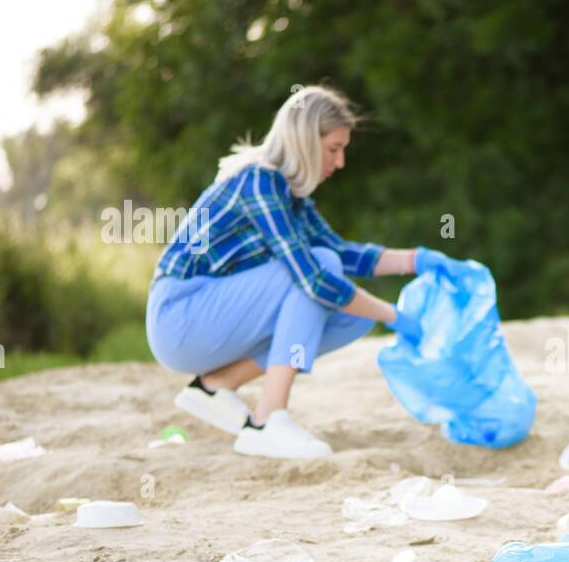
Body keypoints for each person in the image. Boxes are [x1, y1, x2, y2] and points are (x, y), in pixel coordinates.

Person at [146, 85, 463, 459]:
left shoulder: (293, 199)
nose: (341, 161)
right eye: (334, 149)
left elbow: (344, 253)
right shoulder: (259, 181)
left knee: (352, 317)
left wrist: (417, 259)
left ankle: (215, 387)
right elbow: (312, 277)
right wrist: (397, 317)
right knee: (321, 275)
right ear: (305, 141)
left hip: (208, 320)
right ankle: (268, 421)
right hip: (179, 317)